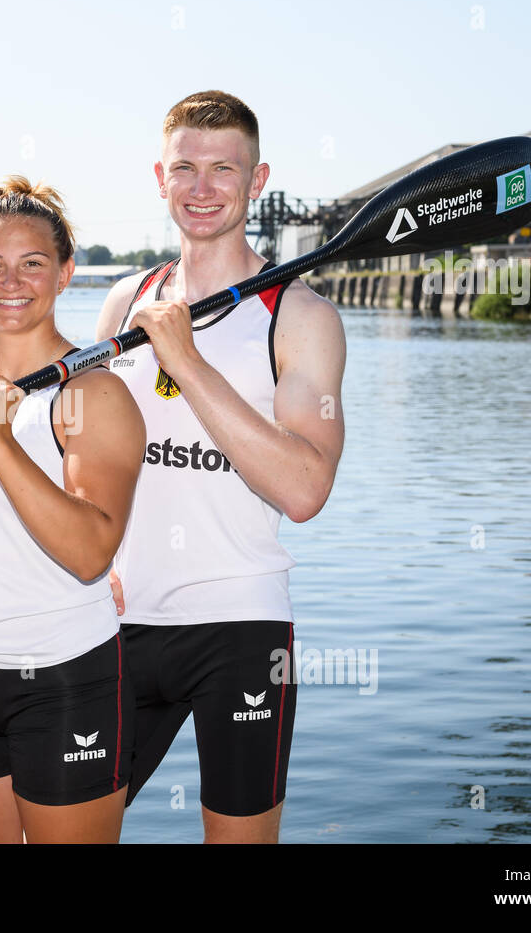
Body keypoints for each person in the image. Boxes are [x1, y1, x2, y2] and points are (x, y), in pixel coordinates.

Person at [96, 90, 347, 843]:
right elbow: (88, 459)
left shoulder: (299, 316)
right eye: (185, 169)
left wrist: (187, 362)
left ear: (258, 179)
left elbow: (305, 490)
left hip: (240, 626)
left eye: (223, 169)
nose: (202, 188)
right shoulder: (123, 302)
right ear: (159, 177)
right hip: (117, 620)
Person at [0, 176, 145, 843]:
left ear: (66, 274)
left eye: (32, 263)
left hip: (64, 680)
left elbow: (89, 553)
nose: (9, 280)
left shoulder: (92, 394)